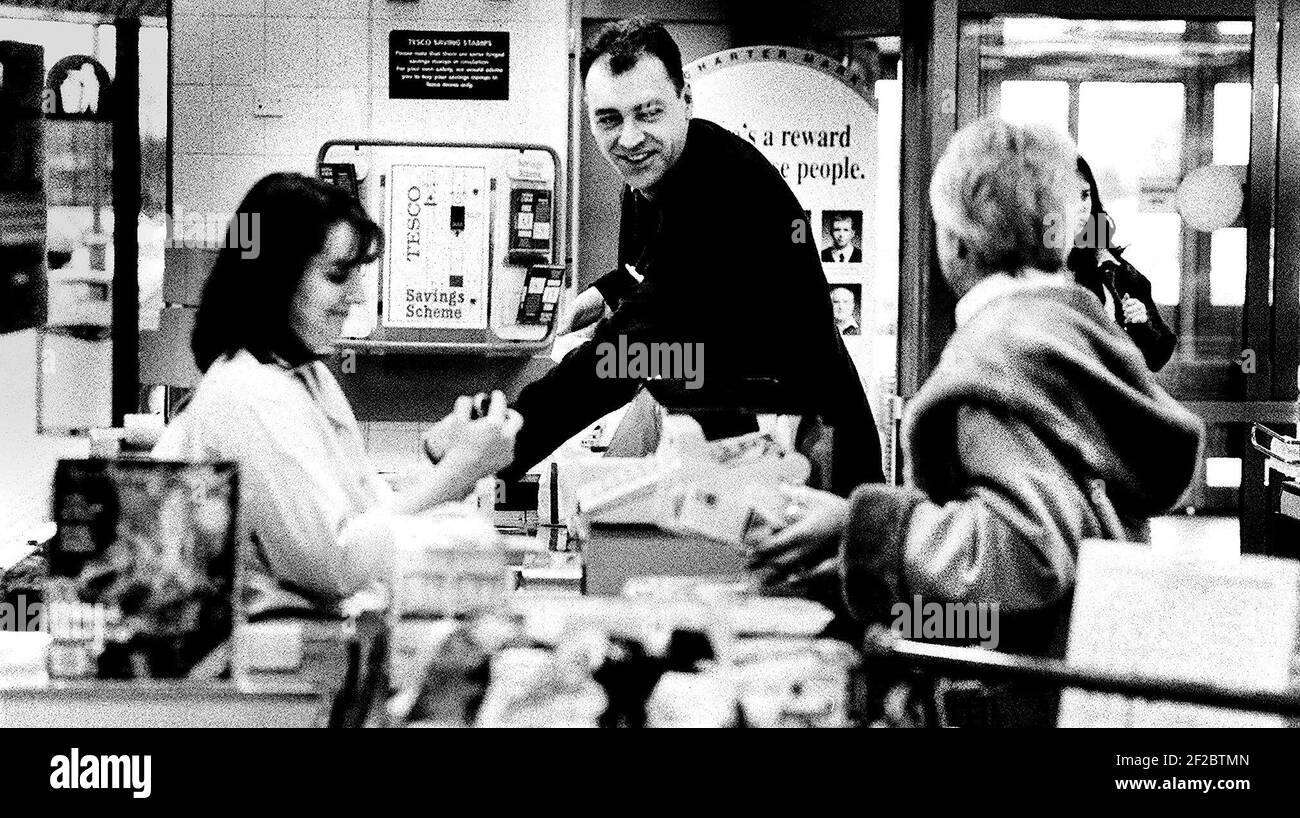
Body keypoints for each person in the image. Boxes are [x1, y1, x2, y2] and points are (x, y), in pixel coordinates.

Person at [747, 117, 1204, 724]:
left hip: (1008, 697)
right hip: (1077, 681)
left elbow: (1026, 556)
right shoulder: (1075, 337)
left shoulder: (998, 359)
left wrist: (859, 526)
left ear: (955, 243)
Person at [502, 18, 883, 494]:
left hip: (804, 448)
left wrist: (502, 442)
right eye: (609, 119)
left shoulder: (722, 187)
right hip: (732, 431)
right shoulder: (652, 174)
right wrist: (590, 301)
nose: (629, 138)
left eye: (648, 113)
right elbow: (647, 271)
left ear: (685, 100)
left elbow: (631, 351)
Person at [153, 173, 521, 618]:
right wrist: (463, 469)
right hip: (253, 660)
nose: (357, 296)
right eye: (337, 275)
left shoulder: (306, 376)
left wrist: (441, 458)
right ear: (275, 275)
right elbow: (333, 565)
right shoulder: (245, 394)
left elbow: (370, 517)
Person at [1068, 156, 1176, 371]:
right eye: (1068, 197)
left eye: (1085, 195)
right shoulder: (1028, 268)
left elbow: (1157, 356)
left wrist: (1143, 324)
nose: (1081, 207)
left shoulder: (1111, 267)